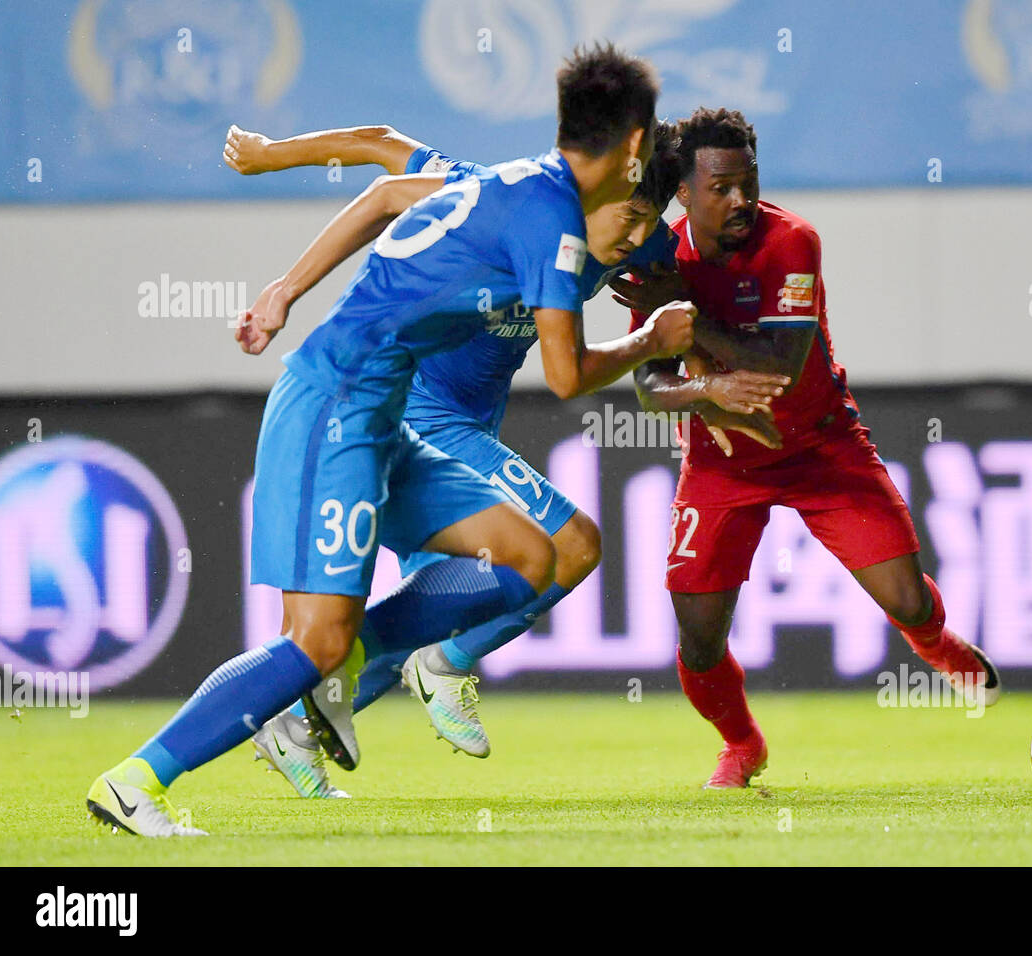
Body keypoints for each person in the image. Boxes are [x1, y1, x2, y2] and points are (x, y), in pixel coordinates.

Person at [86, 45, 684, 835]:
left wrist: (283, 291)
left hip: (381, 411)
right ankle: (137, 780)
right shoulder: (554, 225)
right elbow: (568, 378)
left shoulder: (514, 181)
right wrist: (647, 341)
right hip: (335, 405)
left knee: (532, 555)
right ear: (634, 144)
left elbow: (385, 191)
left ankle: (354, 665)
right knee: (313, 642)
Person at [629, 108, 1002, 789]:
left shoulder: (791, 241)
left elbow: (779, 367)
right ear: (683, 191)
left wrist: (686, 317)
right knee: (700, 639)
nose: (741, 199)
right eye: (722, 187)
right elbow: (650, 386)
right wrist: (705, 390)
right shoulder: (660, 258)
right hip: (722, 463)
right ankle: (741, 744)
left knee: (908, 601)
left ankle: (932, 642)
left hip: (823, 451)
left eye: (749, 181)